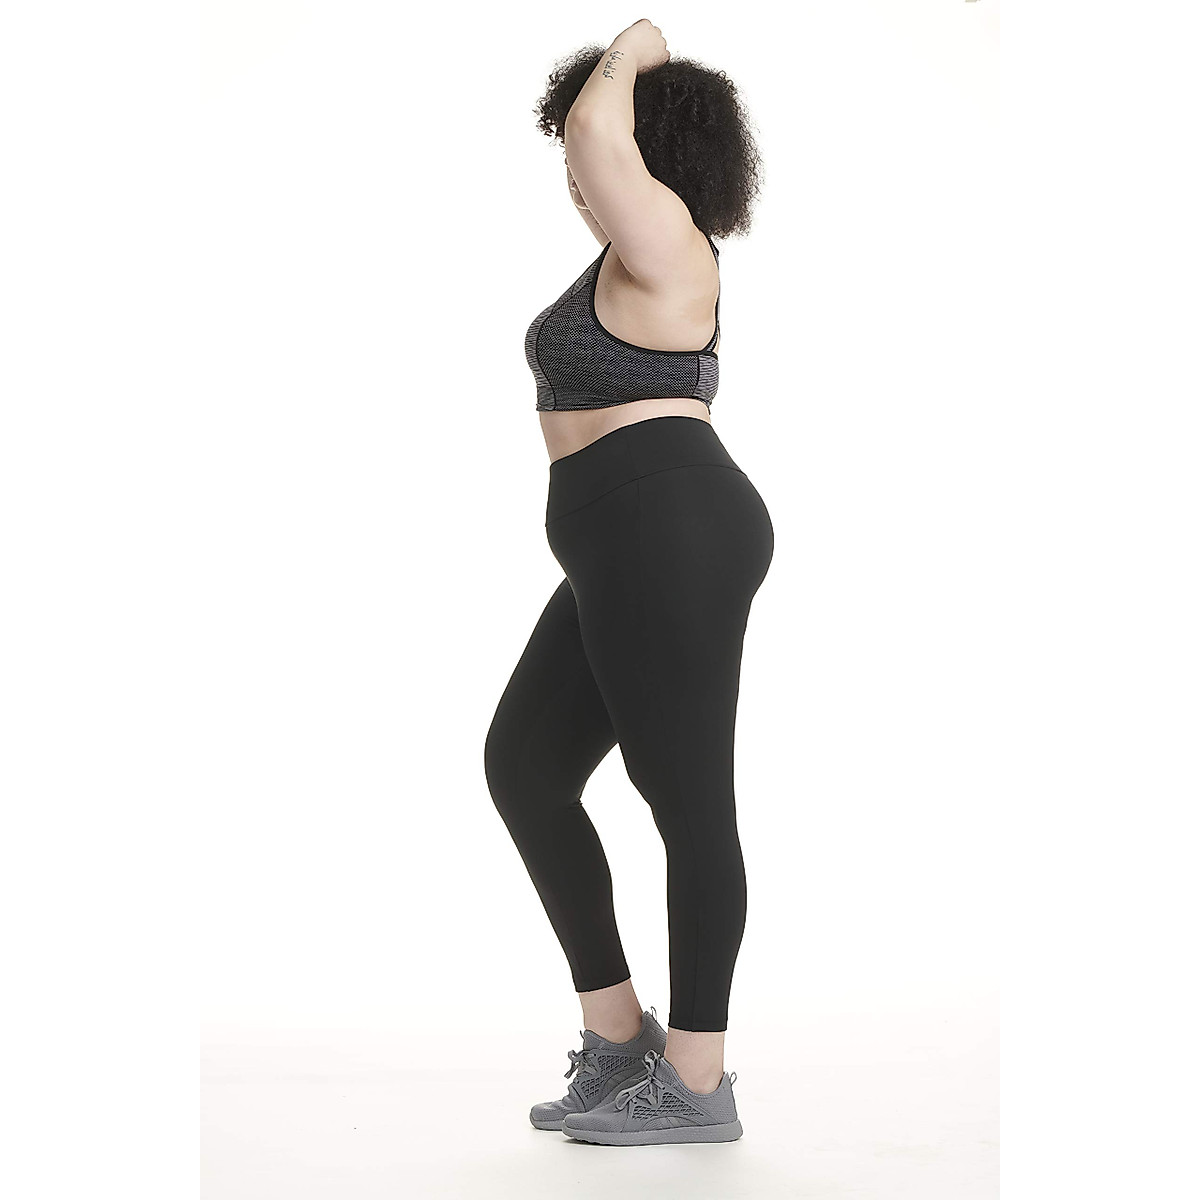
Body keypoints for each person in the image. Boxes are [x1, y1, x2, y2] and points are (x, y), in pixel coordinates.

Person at [484, 19, 773, 1146]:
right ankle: (619, 1038)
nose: (576, 175)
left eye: (588, 156)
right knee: (525, 767)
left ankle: (697, 1080)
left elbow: (599, 128)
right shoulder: (624, 254)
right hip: (622, 536)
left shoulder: (670, 241)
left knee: (686, 799)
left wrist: (635, 43)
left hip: (669, 526)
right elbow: (595, 140)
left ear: (651, 152)